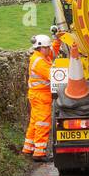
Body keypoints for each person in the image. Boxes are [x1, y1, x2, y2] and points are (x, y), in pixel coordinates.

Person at [23, 32, 61, 160]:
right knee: (42, 123)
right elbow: (53, 75)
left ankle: (28, 148)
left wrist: (57, 40)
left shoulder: (41, 56)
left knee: (35, 122)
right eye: (47, 47)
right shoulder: (39, 62)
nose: (49, 49)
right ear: (41, 48)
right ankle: (39, 153)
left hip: (37, 95)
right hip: (40, 96)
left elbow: (53, 52)